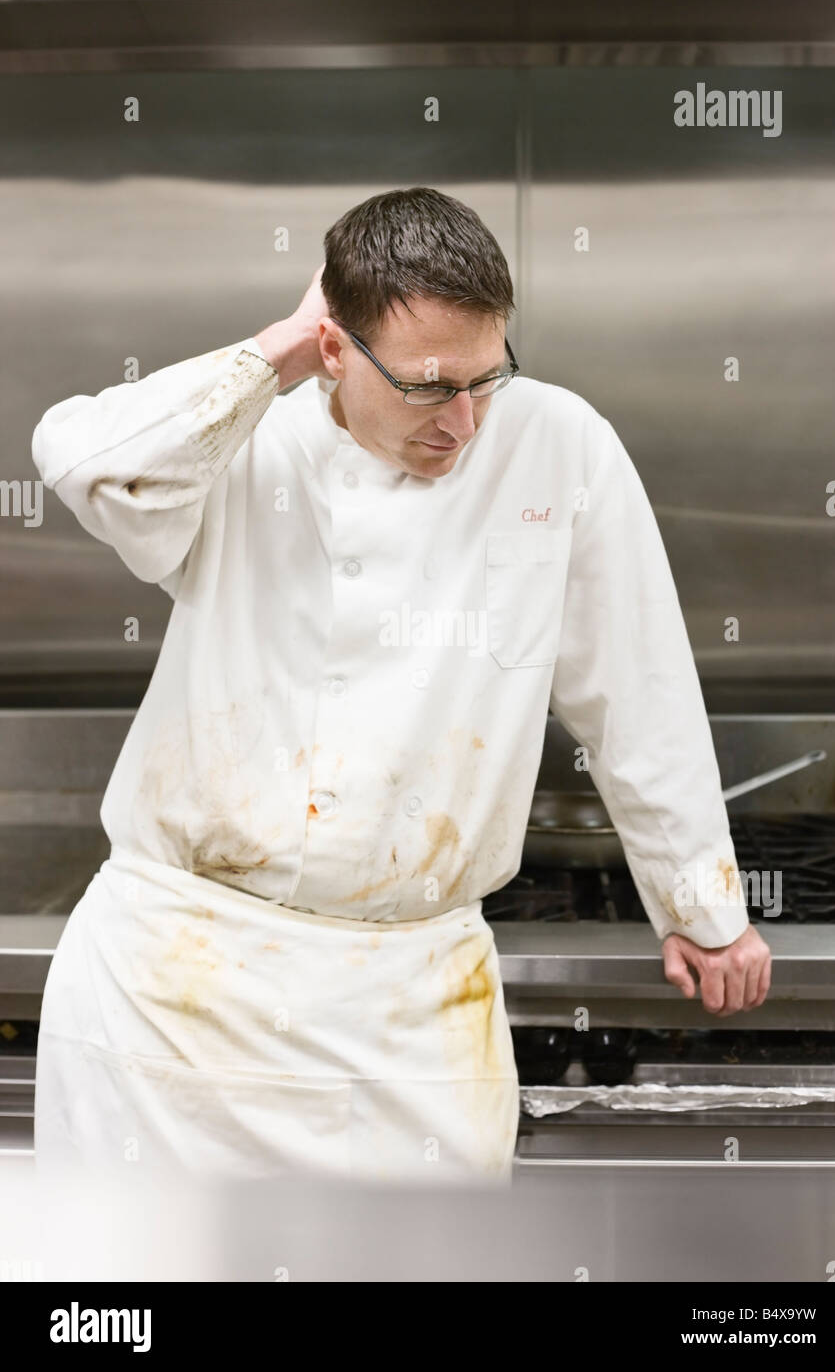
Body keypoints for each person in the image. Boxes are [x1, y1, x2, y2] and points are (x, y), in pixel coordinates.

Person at [31, 186, 771, 1186]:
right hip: (177, 1000)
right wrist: (278, 349)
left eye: (484, 377)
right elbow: (84, 462)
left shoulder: (557, 446)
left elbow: (636, 687)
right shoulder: (245, 443)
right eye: (428, 386)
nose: (461, 421)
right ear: (336, 350)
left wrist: (699, 904)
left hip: (411, 1017)